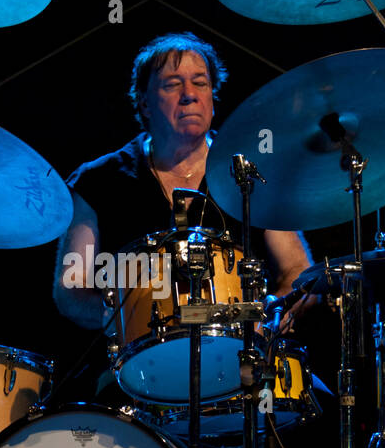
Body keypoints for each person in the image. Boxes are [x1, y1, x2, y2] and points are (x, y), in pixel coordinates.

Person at [54, 33, 319, 341]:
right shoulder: (99, 181)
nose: (189, 95)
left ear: (212, 97)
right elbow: (71, 288)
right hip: (139, 365)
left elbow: (298, 271)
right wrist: (126, 319)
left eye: (200, 83)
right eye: (172, 84)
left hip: (243, 357)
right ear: (144, 102)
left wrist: (271, 320)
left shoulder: (249, 171)